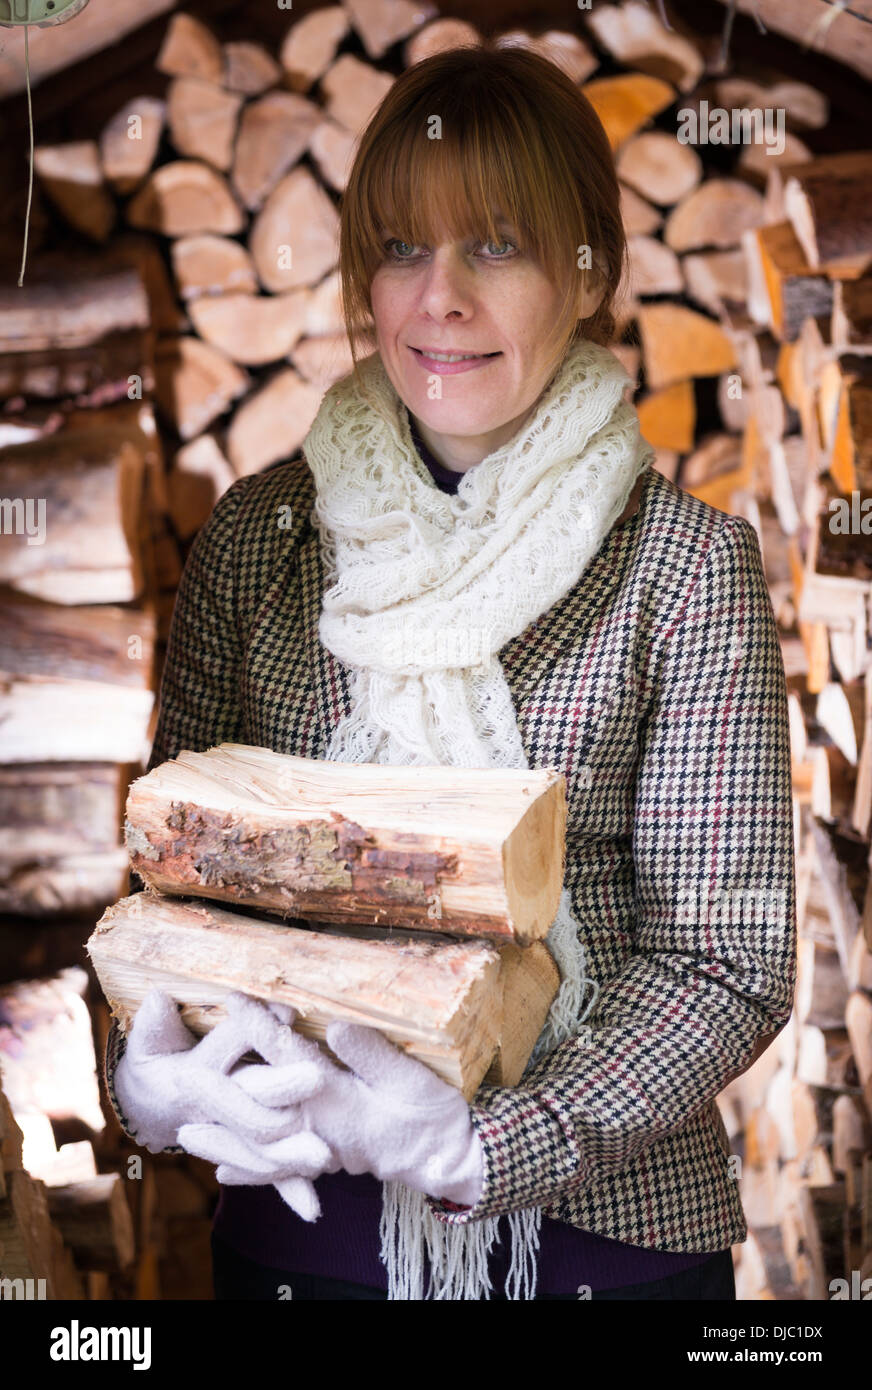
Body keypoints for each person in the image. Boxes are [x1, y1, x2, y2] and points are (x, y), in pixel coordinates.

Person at [102, 44, 796, 1302]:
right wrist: (142, 1074)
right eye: (402, 250)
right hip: (300, 1232)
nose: (440, 301)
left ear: (590, 272)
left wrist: (478, 1141)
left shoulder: (682, 565)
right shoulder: (260, 542)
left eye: (496, 245)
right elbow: (168, 890)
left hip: (607, 1243)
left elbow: (726, 959)